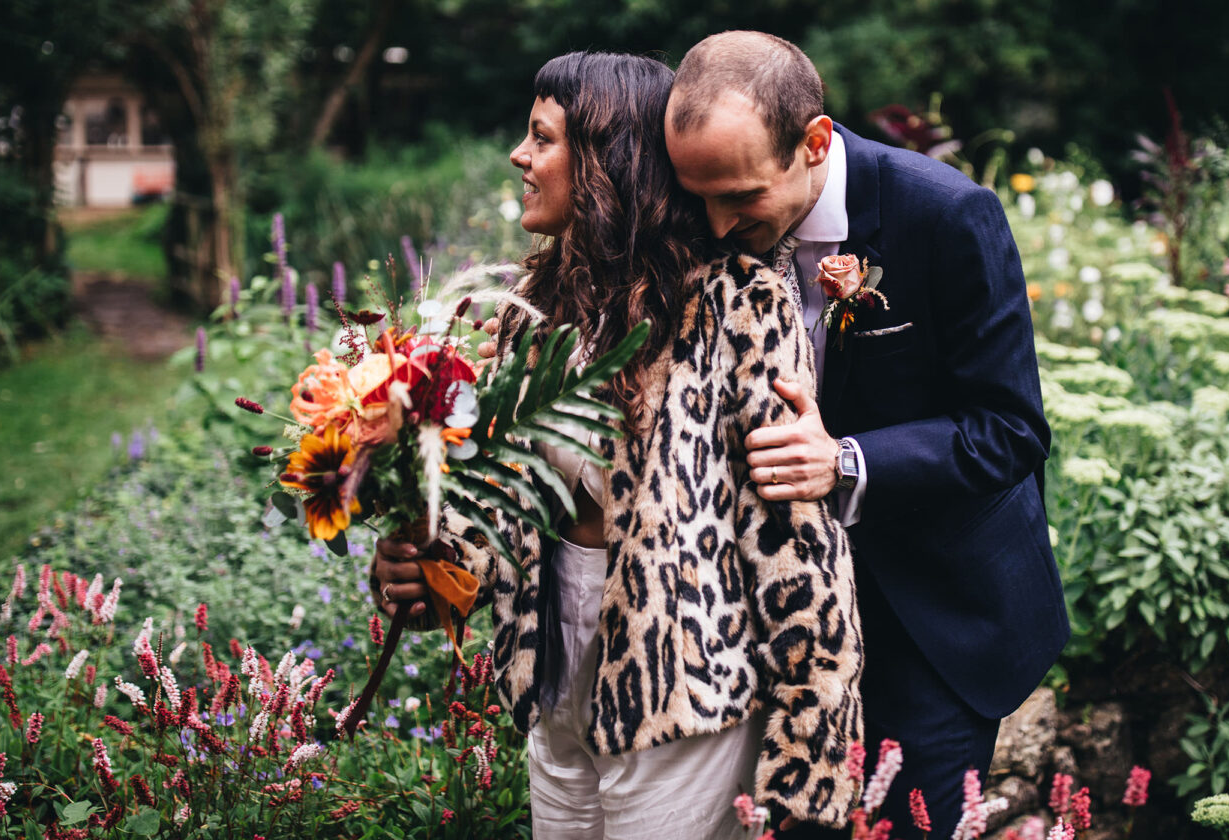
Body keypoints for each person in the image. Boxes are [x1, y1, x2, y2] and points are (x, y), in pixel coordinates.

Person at [370, 51, 865, 839]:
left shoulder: (742, 307)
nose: (519, 156)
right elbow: (495, 503)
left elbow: (796, 545)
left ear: (607, 160)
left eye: (542, 138)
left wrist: (811, 740)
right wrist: (427, 565)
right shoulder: (522, 314)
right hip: (553, 675)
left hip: (684, 690)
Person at [663, 31, 1070, 838]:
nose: (714, 224)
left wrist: (844, 460)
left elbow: (1010, 431)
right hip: (776, 622)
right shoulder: (705, 217)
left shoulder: (947, 215)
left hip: (929, 612)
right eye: (697, 196)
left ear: (814, 144)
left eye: (739, 197)